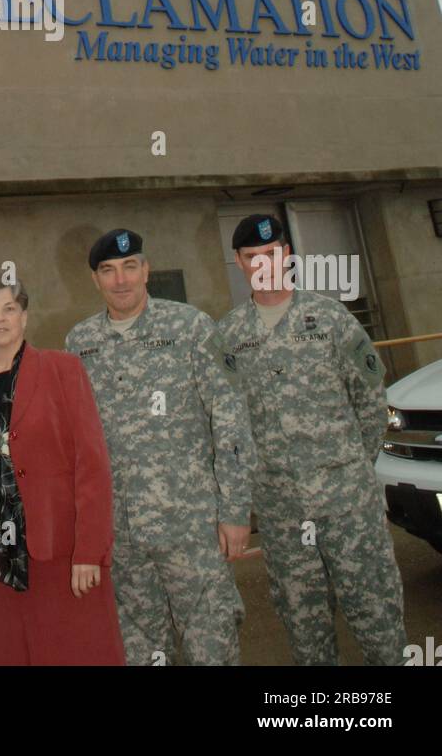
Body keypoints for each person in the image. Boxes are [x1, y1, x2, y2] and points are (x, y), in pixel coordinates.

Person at [219, 212, 407, 666]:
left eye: (272, 253)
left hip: (349, 505)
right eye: (252, 256)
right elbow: (228, 424)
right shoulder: (227, 337)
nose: (263, 262)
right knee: (306, 634)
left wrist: (351, 468)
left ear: (286, 254)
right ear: (239, 263)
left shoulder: (330, 317)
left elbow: (370, 400)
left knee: (380, 623)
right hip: (283, 516)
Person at [65, 228, 254, 666]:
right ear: (95, 279)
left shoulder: (191, 327)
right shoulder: (80, 344)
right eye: (108, 271)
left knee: (213, 647)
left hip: (192, 529)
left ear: (146, 270)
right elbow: (76, 441)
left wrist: (234, 510)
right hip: (122, 537)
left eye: (130, 267)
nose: (121, 279)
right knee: (142, 655)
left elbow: (231, 420)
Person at [0, 268, 125, 666]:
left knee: (77, 653)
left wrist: (89, 549)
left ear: (24, 316)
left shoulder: (62, 370)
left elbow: (92, 464)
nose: (0, 318)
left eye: (10, 308)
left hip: (61, 555)